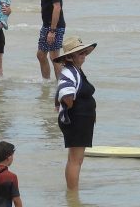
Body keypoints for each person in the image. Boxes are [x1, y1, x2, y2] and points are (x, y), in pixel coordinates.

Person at [54, 37, 98, 193]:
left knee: (73, 159)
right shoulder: (68, 72)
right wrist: (73, 107)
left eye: (84, 52)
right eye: (80, 53)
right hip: (77, 120)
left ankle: (71, 192)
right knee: (76, 160)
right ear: (69, 57)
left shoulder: (76, 70)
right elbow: (67, 96)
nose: (84, 55)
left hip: (80, 119)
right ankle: (73, 195)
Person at [32, 0, 65, 79]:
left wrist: (52, 31)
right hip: (46, 26)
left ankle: (61, 85)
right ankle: (46, 83)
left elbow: (57, 7)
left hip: (55, 27)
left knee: (55, 58)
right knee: (41, 55)